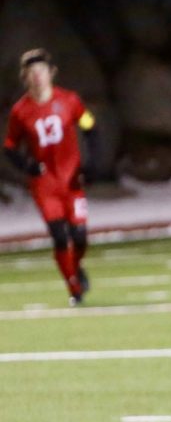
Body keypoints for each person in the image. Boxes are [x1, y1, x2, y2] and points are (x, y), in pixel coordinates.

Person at [4, 48, 99, 306]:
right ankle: (74, 289)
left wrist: (91, 163)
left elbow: (90, 126)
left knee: (79, 237)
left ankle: (75, 267)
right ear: (24, 77)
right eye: (31, 73)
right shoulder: (21, 111)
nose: (37, 77)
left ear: (51, 73)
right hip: (45, 184)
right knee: (59, 236)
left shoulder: (69, 101)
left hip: (71, 181)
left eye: (41, 71)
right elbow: (9, 146)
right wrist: (28, 166)